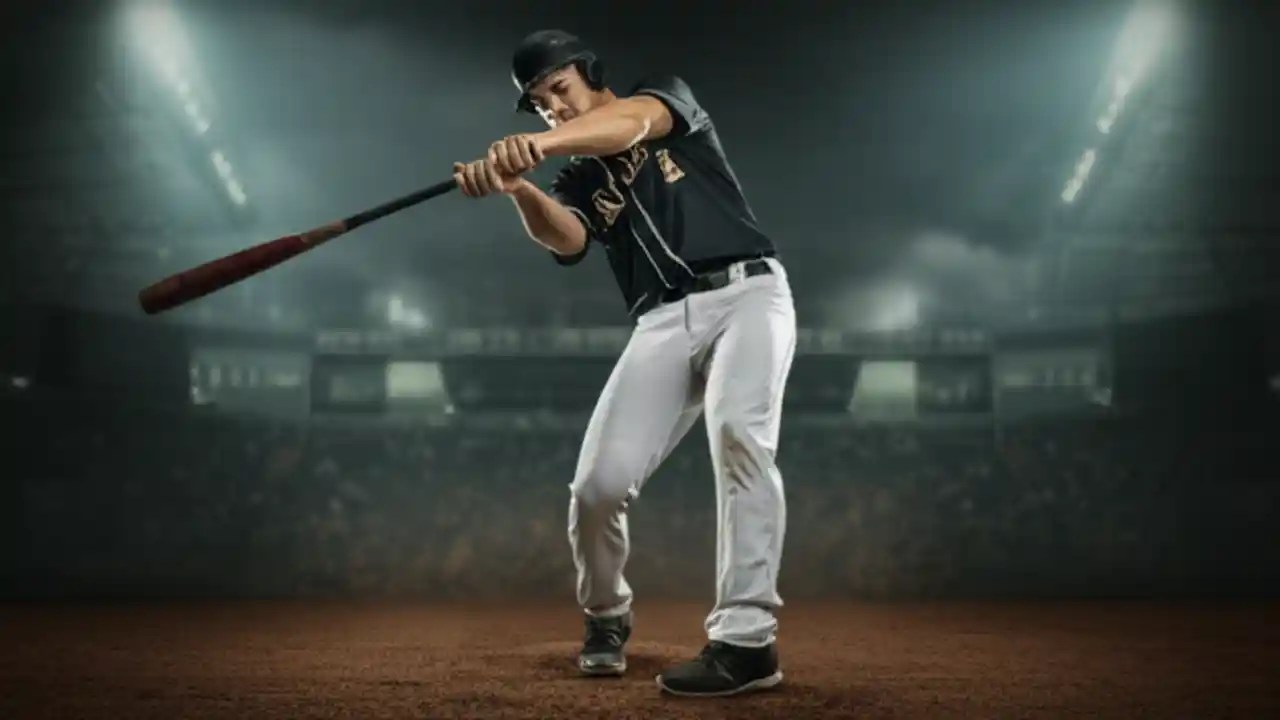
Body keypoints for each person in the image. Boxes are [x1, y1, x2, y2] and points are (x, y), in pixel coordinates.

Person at [451, 29, 797, 697]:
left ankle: (747, 640)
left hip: (748, 294)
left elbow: (629, 124)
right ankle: (607, 616)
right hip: (662, 321)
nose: (554, 107)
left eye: (561, 89)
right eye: (539, 104)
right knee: (596, 489)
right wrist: (518, 185)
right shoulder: (577, 174)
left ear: (590, 73)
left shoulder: (663, 99)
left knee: (739, 438)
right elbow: (570, 238)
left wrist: (539, 144)